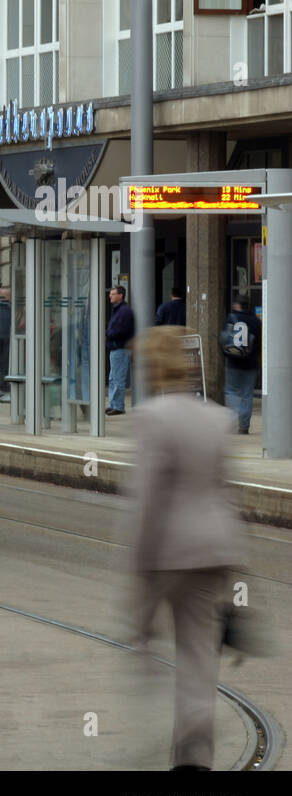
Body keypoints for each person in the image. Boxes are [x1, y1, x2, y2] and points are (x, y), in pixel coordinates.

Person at [127, 326, 246, 770]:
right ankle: (196, 757)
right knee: (199, 657)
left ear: (152, 368)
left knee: (143, 644)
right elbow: (224, 492)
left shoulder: (152, 418)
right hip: (214, 551)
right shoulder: (218, 417)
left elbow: (147, 503)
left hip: (168, 552)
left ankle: (169, 746)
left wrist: (139, 579)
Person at [221, 295, 261, 435]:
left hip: (233, 362)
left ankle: (233, 416)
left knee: (230, 391)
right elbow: (260, 343)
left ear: (237, 305)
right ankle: (244, 426)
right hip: (250, 364)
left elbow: (224, 338)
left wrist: (225, 355)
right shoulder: (256, 321)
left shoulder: (231, 318)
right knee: (247, 394)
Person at [106, 285, 135, 415]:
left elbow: (122, 330)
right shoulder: (118, 310)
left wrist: (109, 333)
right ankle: (114, 404)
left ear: (121, 295)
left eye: (113, 294)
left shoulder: (124, 311)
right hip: (115, 348)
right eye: (110, 294)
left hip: (121, 348)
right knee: (113, 378)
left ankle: (118, 406)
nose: (110, 296)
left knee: (117, 378)